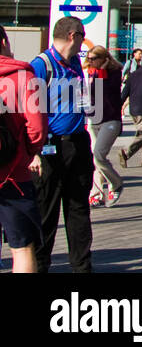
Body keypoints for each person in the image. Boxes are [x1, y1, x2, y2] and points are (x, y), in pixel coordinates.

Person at [29, 16, 94, 273]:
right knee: (46, 212)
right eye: (82, 36)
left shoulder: (76, 62)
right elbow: (30, 109)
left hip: (78, 143)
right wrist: (34, 150)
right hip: (50, 146)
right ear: (73, 35)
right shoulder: (41, 65)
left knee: (79, 210)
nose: (84, 43)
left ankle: (82, 268)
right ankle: (39, 266)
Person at [0, 26, 46, 273]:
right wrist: (27, 153)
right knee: (22, 247)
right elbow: (37, 128)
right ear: (4, 41)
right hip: (13, 176)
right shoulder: (23, 77)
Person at [84, 46, 125, 207]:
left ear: (104, 58)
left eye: (93, 58)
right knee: (94, 159)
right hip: (94, 119)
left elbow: (105, 92)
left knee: (98, 155)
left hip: (110, 120)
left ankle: (116, 183)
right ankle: (96, 193)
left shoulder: (114, 73)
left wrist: (101, 72)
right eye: (89, 58)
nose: (90, 61)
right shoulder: (91, 72)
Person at [119, 51, 142, 168]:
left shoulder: (133, 74)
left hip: (133, 108)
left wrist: (119, 104)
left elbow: (125, 91)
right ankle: (126, 152)